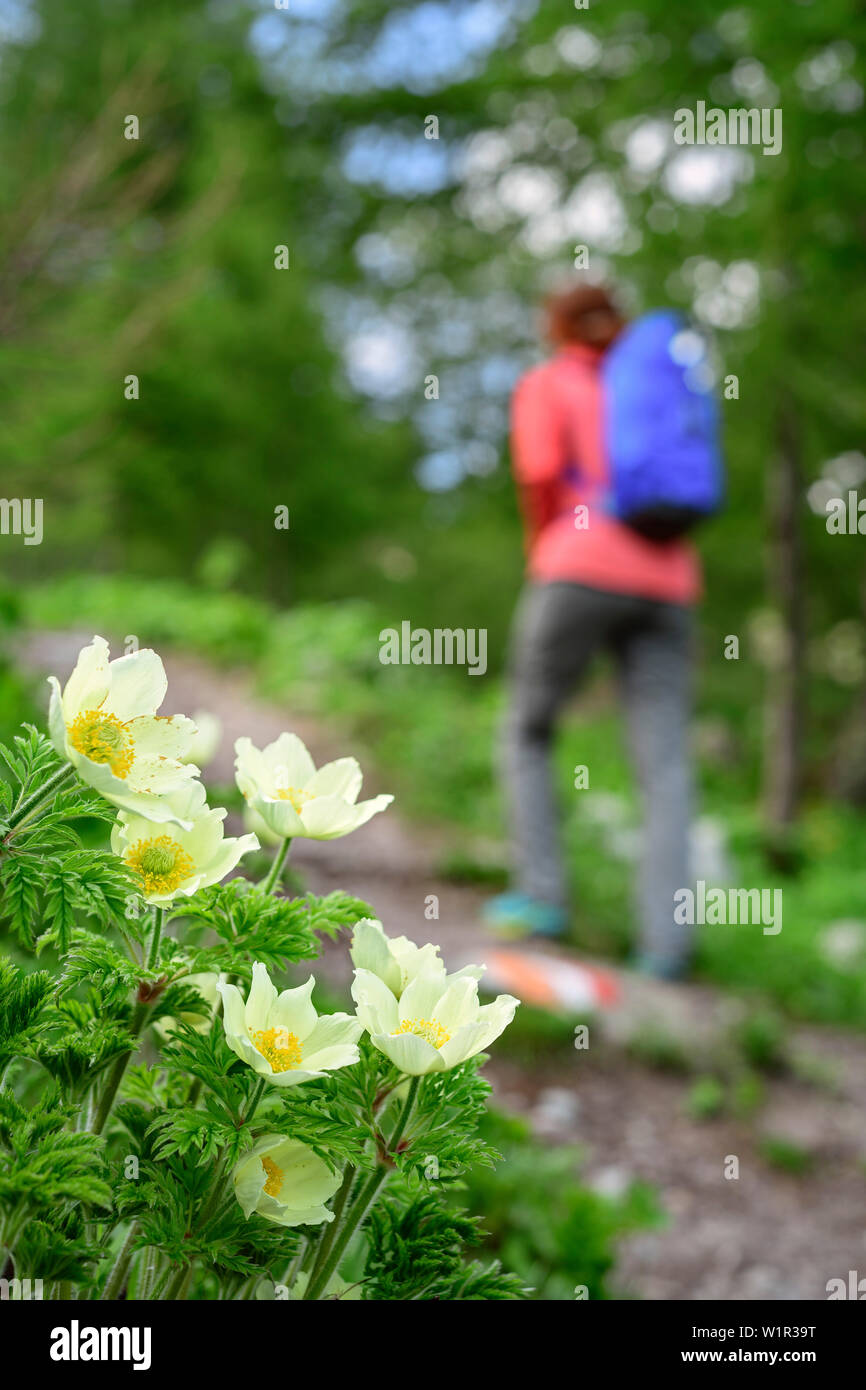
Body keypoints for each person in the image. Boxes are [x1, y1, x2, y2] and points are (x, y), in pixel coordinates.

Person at [484, 284, 701, 979]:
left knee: (528, 726)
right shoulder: (653, 386)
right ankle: (666, 946)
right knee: (664, 763)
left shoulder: (549, 383)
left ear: (556, 327)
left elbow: (542, 470)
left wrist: (543, 548)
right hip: (669, 580)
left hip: (579, 565)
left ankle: (543, 898)